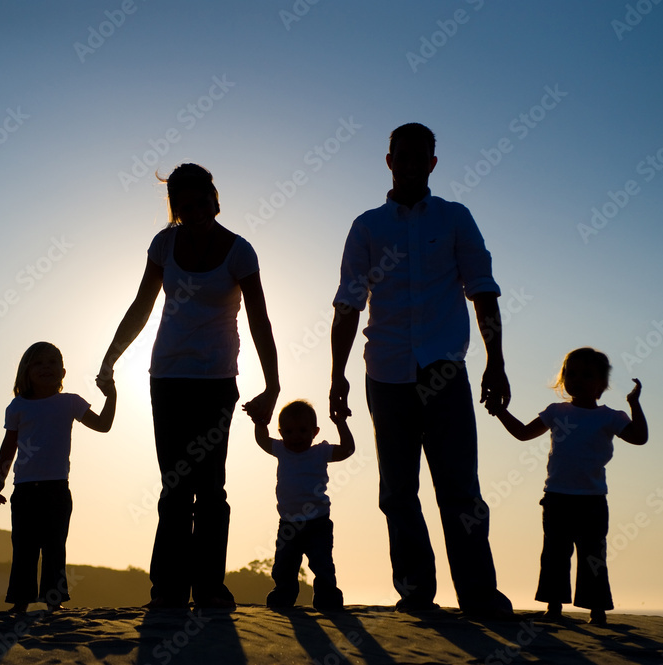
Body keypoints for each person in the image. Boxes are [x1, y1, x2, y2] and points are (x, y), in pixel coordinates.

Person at [329, 122, 513, 617]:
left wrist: (496, 364)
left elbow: (483, 290)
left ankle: (478, 593)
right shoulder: (368, 226)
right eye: (401, 156)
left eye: (420, 157)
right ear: (389, 161)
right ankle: (415, 593)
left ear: (433, 163)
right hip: (385, 374)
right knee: (397, 491)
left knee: (460, 489)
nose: (410, 164)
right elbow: (348, 303)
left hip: (444, 372)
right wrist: (336, 375)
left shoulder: (455, 219)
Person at [98, 164, 279, 610]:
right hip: (168, 379)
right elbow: (142, 304)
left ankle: (210, 588)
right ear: (174, 208)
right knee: (175, 486)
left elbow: (259, 319)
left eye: (202, 202)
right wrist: (110, 356)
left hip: (217, 381)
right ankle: (168, 590)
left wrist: (272, 385)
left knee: (211, 488)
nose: (195, 211)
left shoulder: (240, 252)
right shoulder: (164, 245)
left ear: (214, 201)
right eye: (184, 205)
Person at [486, 347, 648, 625]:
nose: (577, 380)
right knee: (554, 554)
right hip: (557, 498)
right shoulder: (556, 412)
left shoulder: (610, 416)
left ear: (601, 385)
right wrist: (501, 412)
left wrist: (634, 403)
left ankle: (597, 611)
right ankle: (554, 608)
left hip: (593, 501)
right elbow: (524, 433)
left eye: (587, 375)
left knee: (593, 556)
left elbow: (639, 437)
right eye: (570, 374)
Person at [0, 341, 116, 613]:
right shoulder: (17, 407)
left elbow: (104, 426)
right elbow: (8, 445)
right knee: (24, 548)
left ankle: (53, 602)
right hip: (23, 489)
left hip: (56, 488)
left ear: (63, 371)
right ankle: (20, 602)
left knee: (54, 547)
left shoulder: (70, 402)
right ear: (26, 371)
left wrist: (112, 396)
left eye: (52, 362)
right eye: (38, 363)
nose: (46, 368)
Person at [246, 399, 355, 611]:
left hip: (318, 523)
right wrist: (258, 421)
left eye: (303, 430)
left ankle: (327, 598)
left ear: (315, 432)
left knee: (322, 564)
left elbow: (347, 449)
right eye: (289, 431)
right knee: (284, 565)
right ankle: (283, 596)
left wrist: (341, 423)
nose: (296, 436)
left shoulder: (320, 452)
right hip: (288, 523)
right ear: (281, 433)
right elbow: (262, 440)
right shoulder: (281, 449)